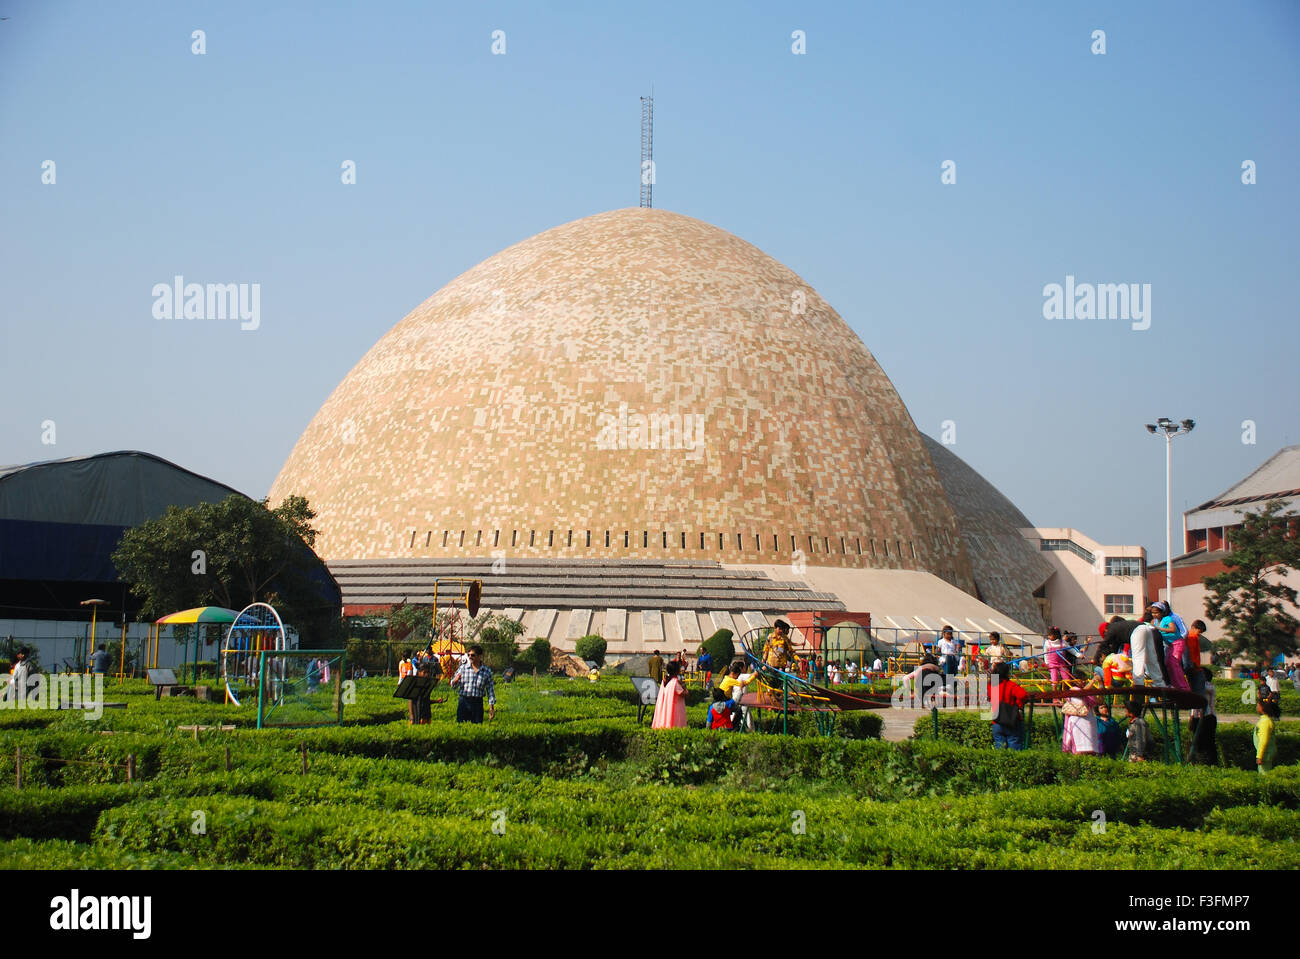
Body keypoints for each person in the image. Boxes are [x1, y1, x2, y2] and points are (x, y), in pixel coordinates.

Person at [450, 644, 496, 724]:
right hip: (464, 701)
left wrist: (491, 707)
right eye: (469, 655)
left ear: (479, 656)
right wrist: (455, 681)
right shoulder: (463, 668)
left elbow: (490, 690)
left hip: (477, 703)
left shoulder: (486, 671)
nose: (470, 657)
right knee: (461, 726)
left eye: (473, 655)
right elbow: (453, 685)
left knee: (477, 725)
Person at [989, 662, 1028, 750]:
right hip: (1011, 721)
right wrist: (1018, 704)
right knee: (1014, 749)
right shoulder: (1011, 685)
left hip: (997, 721)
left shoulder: (991, 685)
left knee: (1000, 750)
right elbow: (1023, 695)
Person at [1188, 667, 1218, 764]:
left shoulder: (1209, 686)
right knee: (1198, 742)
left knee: (1208, 743)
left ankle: (1209, 763)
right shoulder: (1199, 687)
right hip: (1198, 717)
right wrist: (1191, 717)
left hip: (1208, 717)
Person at [1060, 685, 1100, 756]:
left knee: (1091, 749)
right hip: (1077, 721)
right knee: (1079, 749)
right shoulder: (1073, 690)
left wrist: (1100, 683)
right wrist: (1092, 682)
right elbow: (1081, 694)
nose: (1084, 681)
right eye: (1082, 679)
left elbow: (1098, 701)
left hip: (1089, 722)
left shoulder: (1088, 691)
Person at [651, 659, 688, 729]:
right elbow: (685, 694)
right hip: (676, 712)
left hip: (664, 709)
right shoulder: (675, 683)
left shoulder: (665, 681)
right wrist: (683, 685)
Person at [1255, 690, 1280, 773]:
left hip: (1265, 755)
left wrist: (1259, 756)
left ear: (1262, 708)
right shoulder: (1266, 720)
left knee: (1264, 776)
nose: (1256, 707)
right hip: (1266, 754)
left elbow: (1263, 740)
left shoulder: (1265, 722)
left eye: (1257, 705)